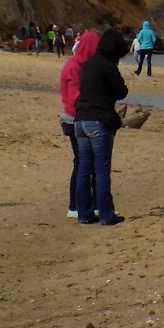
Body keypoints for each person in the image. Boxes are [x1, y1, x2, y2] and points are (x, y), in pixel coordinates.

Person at [74, 28, 130, 226]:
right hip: (98, 120)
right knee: (102, 170)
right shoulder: (107, 66)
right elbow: (122, 91)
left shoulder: (88, 64)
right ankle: (106, 215)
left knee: (84, 169)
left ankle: (84, 213)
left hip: (80, 119)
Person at [59, 30, 99, 218]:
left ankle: (85, 204)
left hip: (79, 117)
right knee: (82, 163)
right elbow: (76, 96)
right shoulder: (75, 66)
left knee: (85, 163)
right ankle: (75, 205)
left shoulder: (83, 65)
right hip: (74, 118)